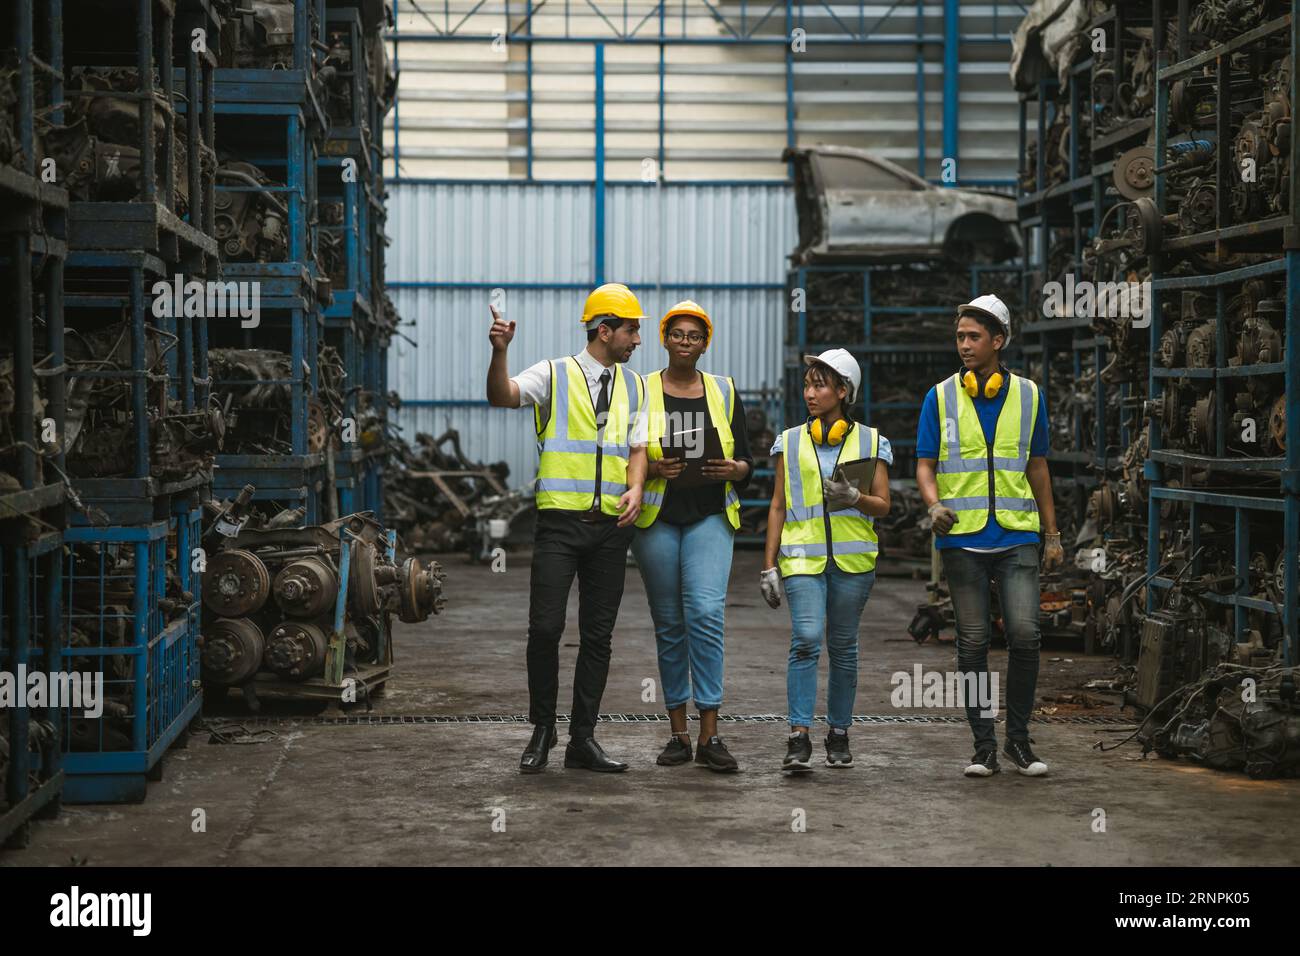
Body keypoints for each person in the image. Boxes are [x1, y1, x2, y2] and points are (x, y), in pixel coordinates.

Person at [486, 282, 649, 774]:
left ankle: (583, 738)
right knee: (546, 628)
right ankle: (543, 729)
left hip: (610, 531)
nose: (637, 340)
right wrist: (500, 354)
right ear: (605, 330)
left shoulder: (636, 386)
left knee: (598, 637)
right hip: (560, 525)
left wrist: (637, 488)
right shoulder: (554, 374)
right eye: (631, 330)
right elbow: (502, 396)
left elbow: (637, 449)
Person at [914, 294, 1064, 779]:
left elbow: (1038, 467)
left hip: (1017, 536)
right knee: (973, 642)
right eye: (959, 336)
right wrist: (933, 504)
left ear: (998, 341)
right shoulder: (939, 397)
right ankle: (983, 747)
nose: (964, 345)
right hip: (962, 540)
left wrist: (1053, 533)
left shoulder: (1029, 395)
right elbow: (924, 464)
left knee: (1025, 635)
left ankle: (1019, 741)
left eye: (973, 337)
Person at [630, 301, 753, 773]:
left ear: (705, 342)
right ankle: (678, 734)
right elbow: (627, 452)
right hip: (658, 518)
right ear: (664, 339)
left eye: (694, 336)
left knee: (705, 613)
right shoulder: (640, 389)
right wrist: (654, 469)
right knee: (669, 624)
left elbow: (747, 459)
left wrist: (737, 468)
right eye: (677, 334)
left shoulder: (723, 389)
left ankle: (711, 734)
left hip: (710, 514)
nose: (685, 342)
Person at [760, 349, 892, 773]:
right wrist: (769, 565)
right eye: (807, 384)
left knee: (844, 647)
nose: (810, 393)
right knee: (807, 639)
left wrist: (855, 498)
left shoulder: (871, 442)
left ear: (843, 391)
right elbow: (778, 505)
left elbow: (884, 506)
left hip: (854, 563)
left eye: (819, 385)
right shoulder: (791, 441)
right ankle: (799, 736)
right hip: (802, 558)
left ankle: (839, 732)